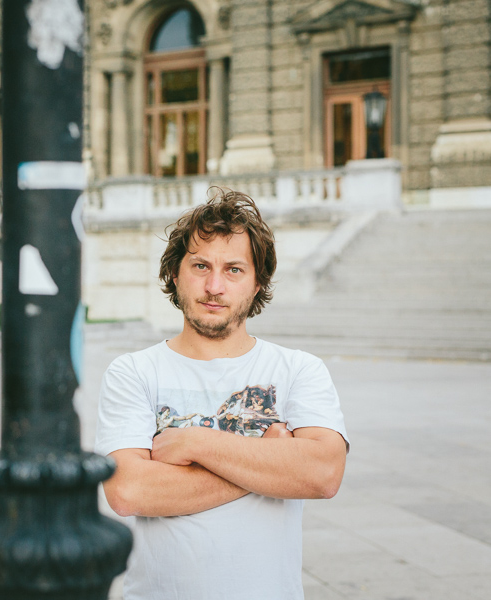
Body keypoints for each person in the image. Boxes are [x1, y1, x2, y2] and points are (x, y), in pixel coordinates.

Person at [95, 189, 349, 600]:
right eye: (200, 266)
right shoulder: (134, 372)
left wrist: (196, 442)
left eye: (233, 269)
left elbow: (322, 474)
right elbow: (128, 492)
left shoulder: (298, 369)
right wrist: (272, 462)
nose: (214, 286)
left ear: (257, 282)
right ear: (174, 274)